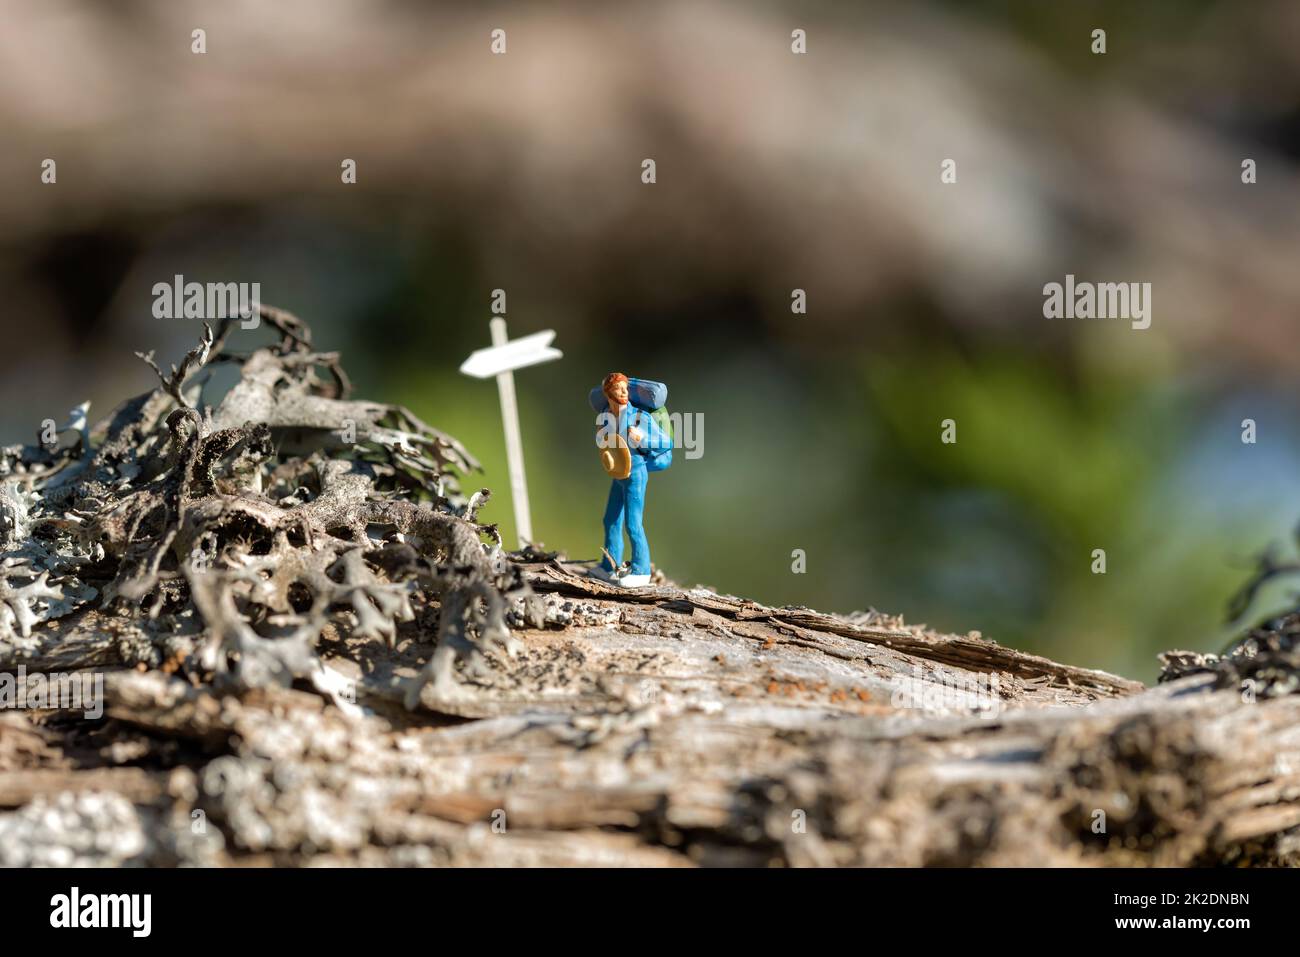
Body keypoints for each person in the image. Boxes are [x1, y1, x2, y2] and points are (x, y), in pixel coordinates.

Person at [596, 372, 671, 587]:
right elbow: (604, 439)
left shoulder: (638, 417)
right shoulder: (605, 415)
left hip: (636, 473)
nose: (623, 392)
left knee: (633, 524)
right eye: (619, 389)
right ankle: (608, 565)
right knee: (610, 519)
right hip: (617, 472)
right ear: (608, 393)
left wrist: (642, 438)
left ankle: (641, 570)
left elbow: (666, 443)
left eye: (625, 389)